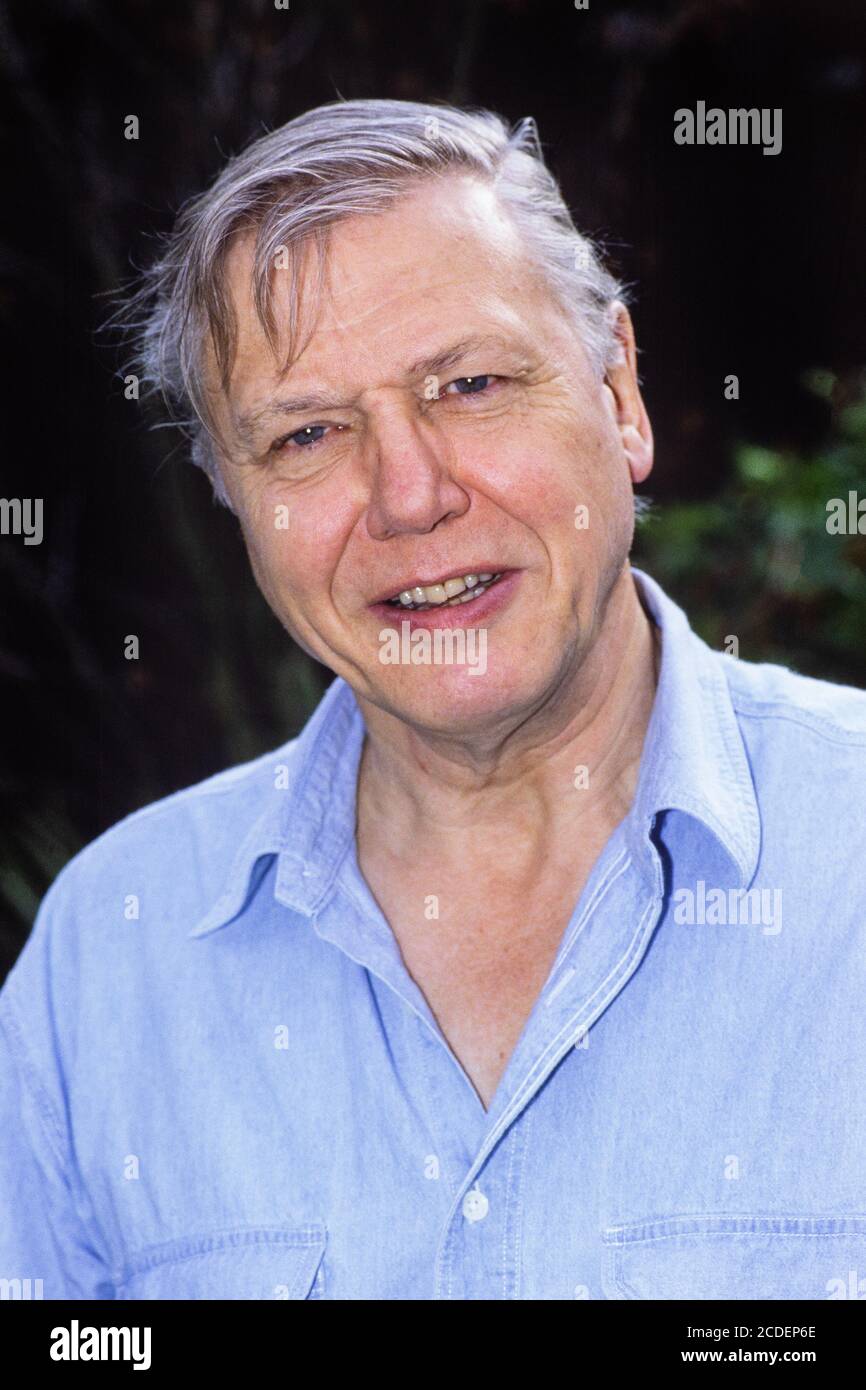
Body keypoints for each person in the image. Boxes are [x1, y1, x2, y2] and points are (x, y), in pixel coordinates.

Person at [2, 99, 865, 1302]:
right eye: (306, 434)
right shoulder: (105, 957)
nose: (406, 495)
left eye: (466, 384)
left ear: (619, 393)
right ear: (230, 501)